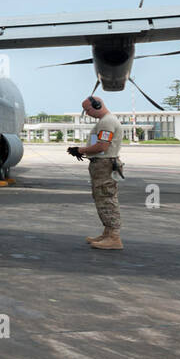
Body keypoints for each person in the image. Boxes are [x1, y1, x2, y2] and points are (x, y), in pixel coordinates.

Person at [73, 96, 124, 250]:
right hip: (103, 164)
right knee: (102, 197)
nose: (87, 113)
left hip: (104, 165)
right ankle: (108, 233)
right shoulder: (105, 121)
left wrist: (80, 150)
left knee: (106, 199)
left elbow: (102, 146)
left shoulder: (107, 122)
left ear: (97, 105)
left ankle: (114, 237)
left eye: (88, 109)